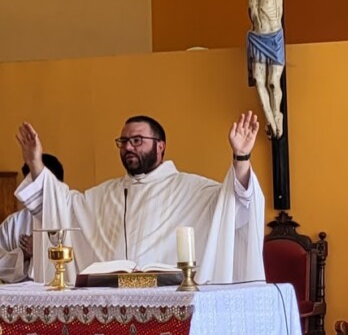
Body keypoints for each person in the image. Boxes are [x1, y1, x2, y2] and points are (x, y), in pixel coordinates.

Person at [14, 112, 265, 284]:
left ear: (160, 146)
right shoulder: (106, 194)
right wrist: (35, 163)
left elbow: (235, 203)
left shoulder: (191, 189)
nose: (128, 147)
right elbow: (60, 207)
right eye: (123, 141)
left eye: (137, 140)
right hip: (112, 306)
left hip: (169, 302)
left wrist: (241, 158)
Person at [208, 0, 337, 140]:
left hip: (274, 39)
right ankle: (270, 121)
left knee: (272, 83)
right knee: (259, 81)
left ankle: (278, 116)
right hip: (256, 39)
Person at [0, 154, 63, 283]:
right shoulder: (13, 223)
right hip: (22, 294)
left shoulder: (70, 217)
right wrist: (23, 255)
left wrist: (41, 246)